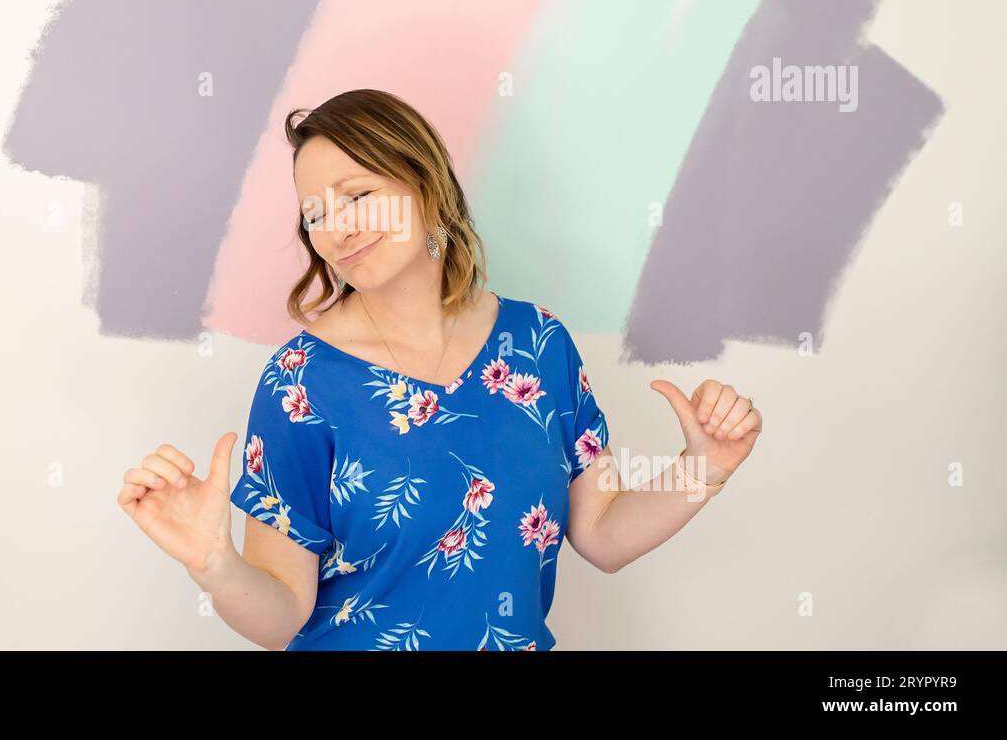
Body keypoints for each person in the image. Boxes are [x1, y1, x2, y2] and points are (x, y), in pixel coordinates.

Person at [117, 88, 763, 650]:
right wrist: (216, 566)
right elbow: (282, 611)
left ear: (423, 184)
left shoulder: (538, 343)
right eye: (314, 213)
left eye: (356, 196)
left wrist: (702, 469)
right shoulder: (300, 383)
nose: (335, 227)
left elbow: (601, 533)